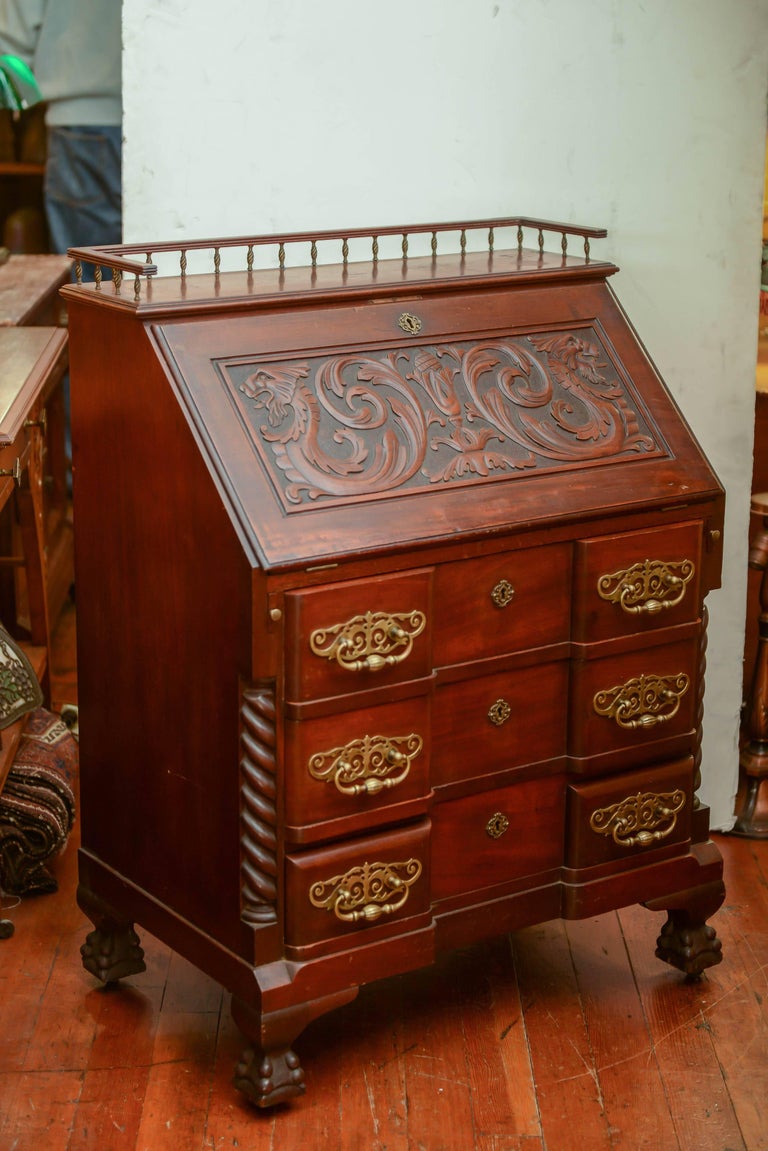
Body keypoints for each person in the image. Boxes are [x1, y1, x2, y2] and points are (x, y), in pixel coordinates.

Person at [0, 0, 122, 258]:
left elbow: (11, 41)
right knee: (164, 267)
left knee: (89, 276)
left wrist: (20, 107)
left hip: (78, 114)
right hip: (168, 112)